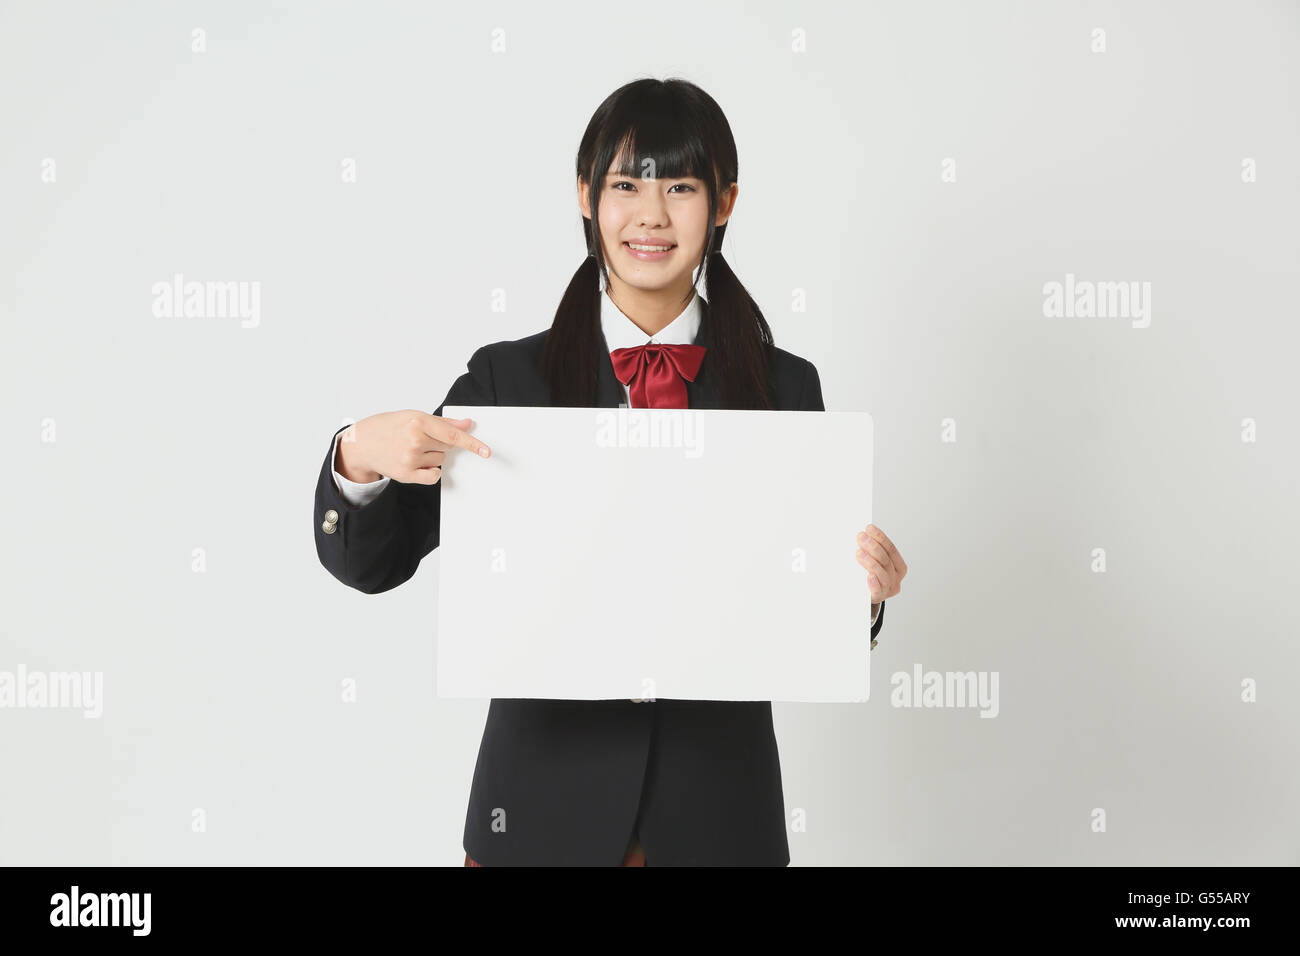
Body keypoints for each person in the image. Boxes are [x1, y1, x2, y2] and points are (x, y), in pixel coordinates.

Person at [313, 77, 908, 866]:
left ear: (724, 203)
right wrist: (356, 458)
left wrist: (860, 600)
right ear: (587, 197)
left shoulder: (785, 389)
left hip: (719, 820)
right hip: (534, 815)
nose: (652, 215)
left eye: (681, 186)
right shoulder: (504, 383)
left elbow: (800, 620)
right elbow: (372, 564)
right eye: (626, 185)